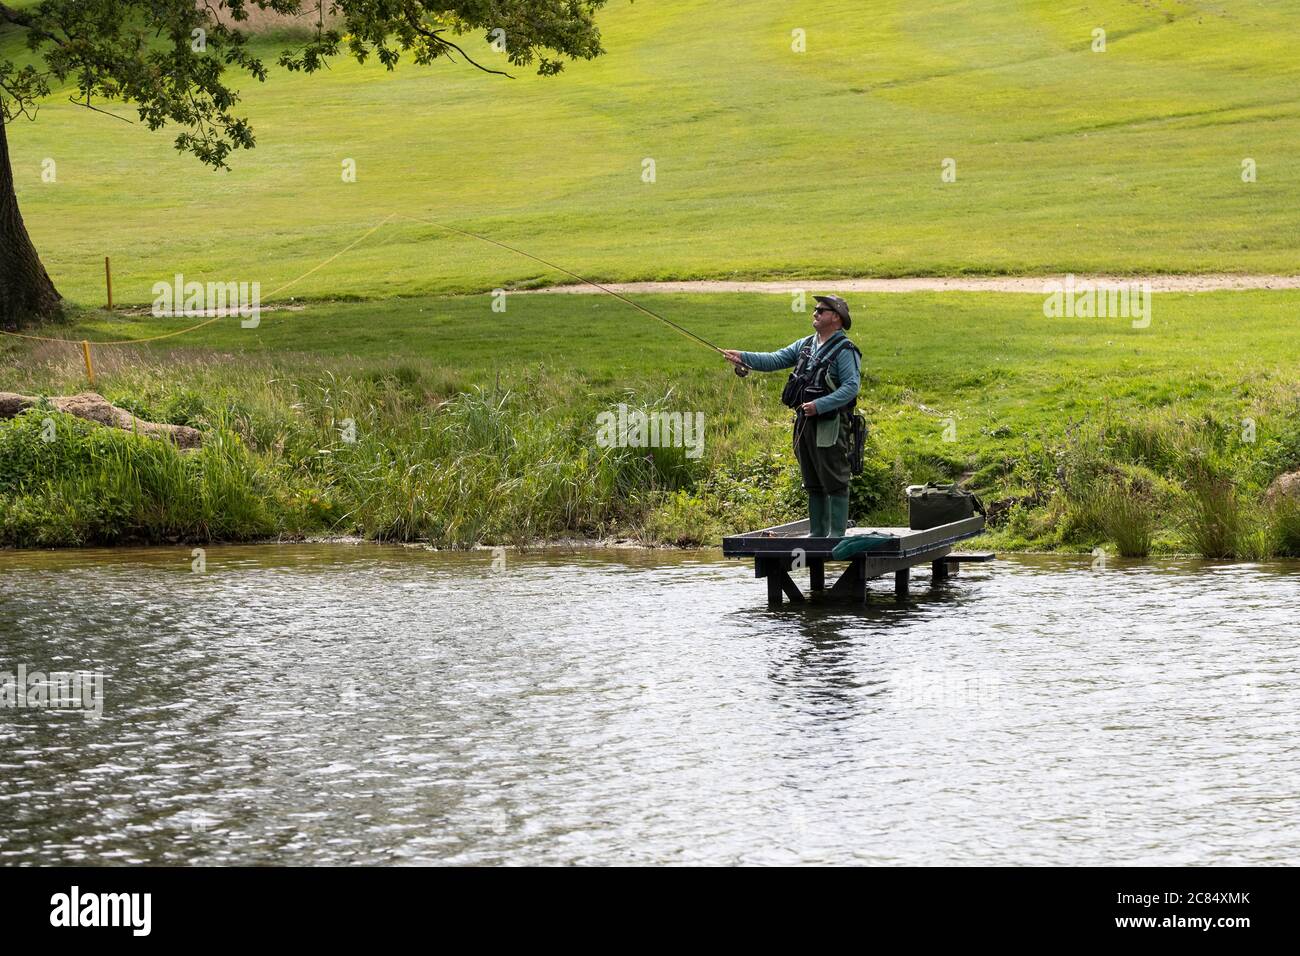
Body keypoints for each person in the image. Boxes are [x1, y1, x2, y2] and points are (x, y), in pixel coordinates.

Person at [723, 295, 861, 537]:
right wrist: (743, 357)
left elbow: (851, 387)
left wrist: (820, 405)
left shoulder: (846, 350)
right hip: (804, 422)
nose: (815, 313)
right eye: (814, 309)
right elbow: (775, 359)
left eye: (821, 310)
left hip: (830, 423)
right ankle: (818, 534)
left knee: (835, 479)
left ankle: (836, 535)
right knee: (812, 480)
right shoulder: (806, 344)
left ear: (836, 318)